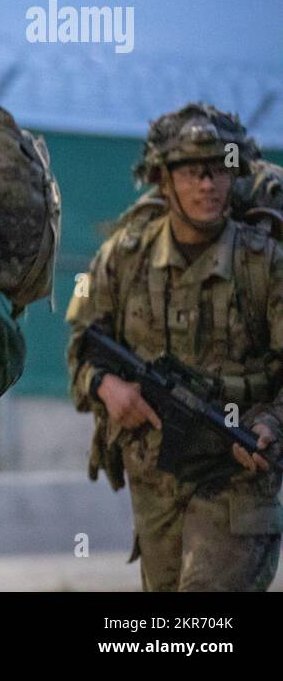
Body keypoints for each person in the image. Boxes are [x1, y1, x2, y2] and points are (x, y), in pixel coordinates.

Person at [66, 103, 283, 591]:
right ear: (163, 180)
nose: (207, 184)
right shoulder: (120, 257)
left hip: (238, 473)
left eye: (219, 170)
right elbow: (81, 348)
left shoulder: (265, 264)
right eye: (191, 171)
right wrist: (105, 388)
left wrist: (270, 423)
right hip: (156, 479)